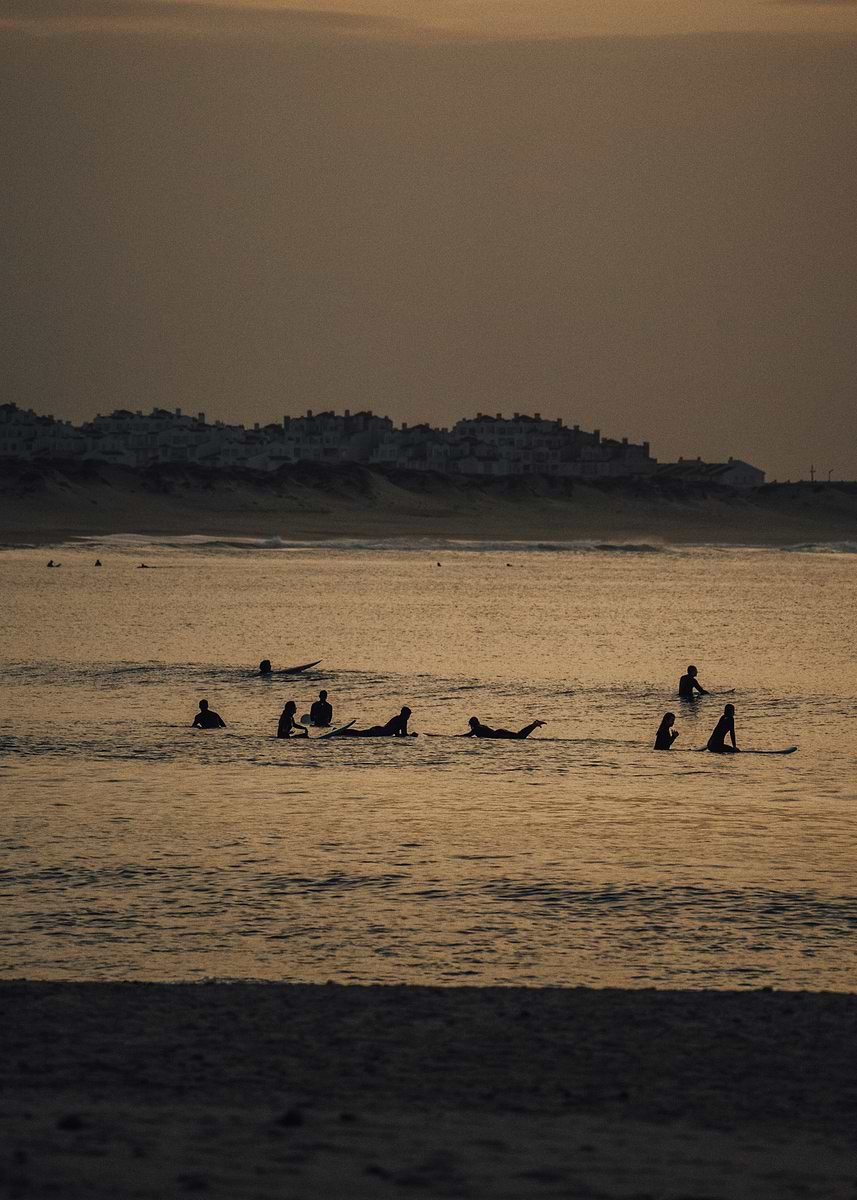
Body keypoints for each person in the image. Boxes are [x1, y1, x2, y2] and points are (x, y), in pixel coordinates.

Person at [337, 707, 414, 737]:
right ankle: (341, 732)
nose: (408, 717)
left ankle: (342, 731)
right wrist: (411, 735)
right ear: (405, 714)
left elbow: (397, 734)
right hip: (379, 732)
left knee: (359, 733)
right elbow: (403, 734)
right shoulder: (403, 720)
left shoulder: (397, 718)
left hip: (378, 729)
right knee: (359, 734)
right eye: (408, 715)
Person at [461, 716, 545, 740]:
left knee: (520, 736)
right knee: (519, 735)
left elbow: (468, 735)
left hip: (499, 734)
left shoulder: (476, 729)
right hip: (499, 732)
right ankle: (533, 725)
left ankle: (533, 725)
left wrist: (456, 737)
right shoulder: (481, 726)